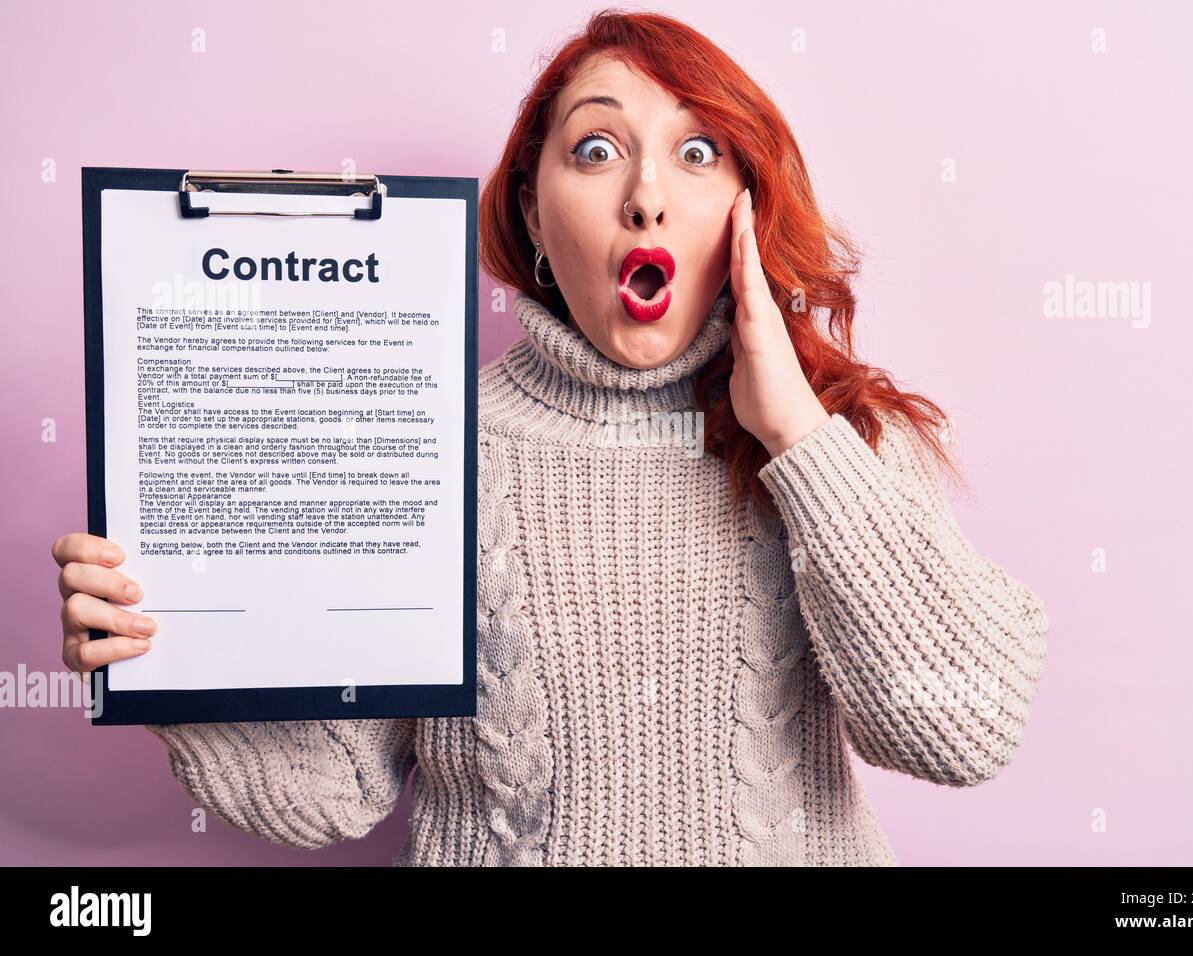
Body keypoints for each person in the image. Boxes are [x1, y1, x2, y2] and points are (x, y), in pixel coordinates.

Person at [50, 9, 1050, 866]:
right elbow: (332, 787)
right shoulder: (418, 439)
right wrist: (163, 647)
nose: (646, 194)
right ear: (532, 210)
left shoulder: (838, 439)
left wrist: (792, 428)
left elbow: (961, 728)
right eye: (597, 149)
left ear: (747, 207)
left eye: (698, 153)